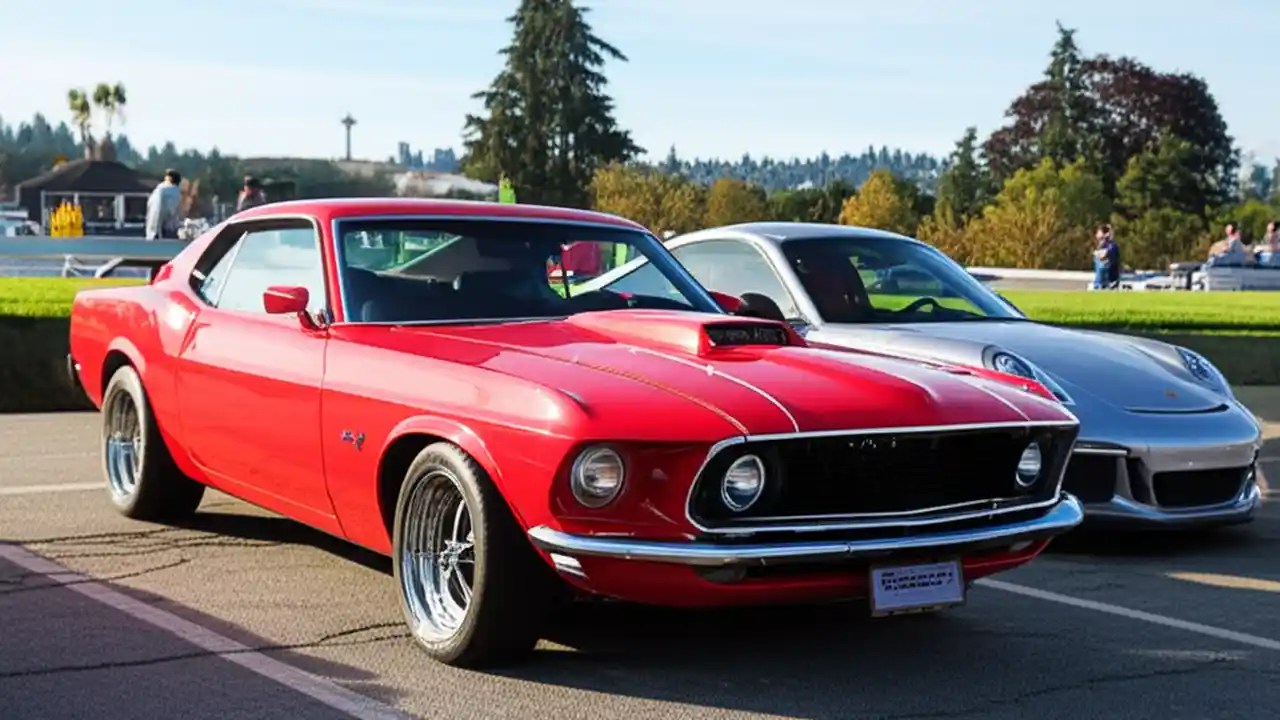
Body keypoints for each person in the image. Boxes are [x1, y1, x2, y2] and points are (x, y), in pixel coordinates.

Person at [144, 169, 181, 240]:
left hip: (151, 231)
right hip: (167, 230)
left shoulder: (157, 191)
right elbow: (173, 211)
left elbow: (149, 208)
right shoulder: (174, 192)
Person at [1091, 224, 1120, 289]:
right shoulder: (1098, 246)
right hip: (1098, 283)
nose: (1096, 234)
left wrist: (1097, 253)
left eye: (1098, 232)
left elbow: (1103, 255)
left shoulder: (1112, 245)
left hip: (1110, 282)